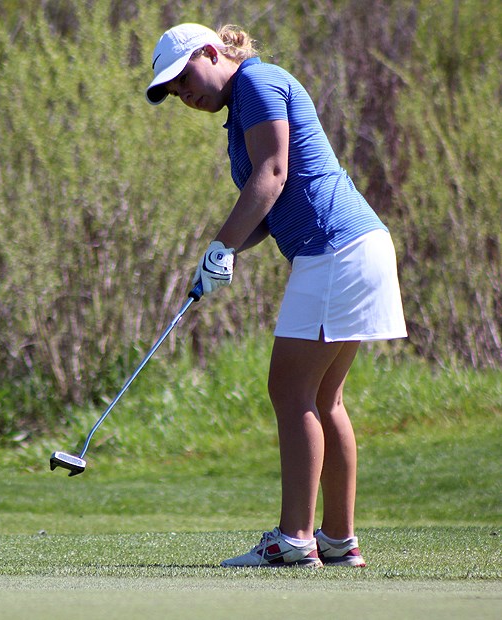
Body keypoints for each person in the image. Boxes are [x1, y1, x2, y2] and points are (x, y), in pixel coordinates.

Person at [146, 23, 407, 568]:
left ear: (211, 53)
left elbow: (271, 172)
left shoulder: (258, 83)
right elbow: (271, 200)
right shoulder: (243, 103)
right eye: (173, 92)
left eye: (185, 76)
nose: (184, 94)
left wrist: (220, 244)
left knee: (290, 392)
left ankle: (294, 539)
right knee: (324, 399)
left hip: (333, 248)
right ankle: (337, 539)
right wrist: (231, 253)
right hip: (355, 244)